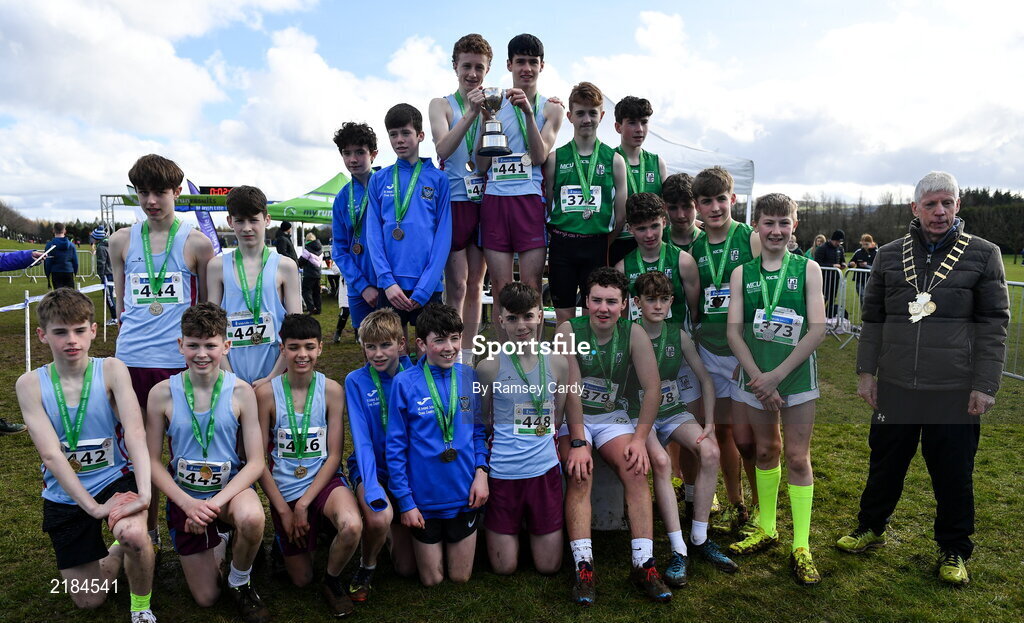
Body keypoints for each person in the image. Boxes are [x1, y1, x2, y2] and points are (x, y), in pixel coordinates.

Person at [837, 171, 1009, 586]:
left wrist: (985, 385)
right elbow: (873, 320)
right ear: (915, 208)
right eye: (930, 204)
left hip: (953, 388)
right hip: (895, 385)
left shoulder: (984, 254)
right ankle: (871, 527)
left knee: (953, 472)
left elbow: (994, 324)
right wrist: (866, 373)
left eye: (947, 203)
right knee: (885, 463)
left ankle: (954, 549)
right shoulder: (889, 255)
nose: (940, 211)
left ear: (958, 206)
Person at [17, 288, 156, 622]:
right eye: (60, 332)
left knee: (135, 534)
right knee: (89, 602)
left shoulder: (111, 369)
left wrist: (146, 493)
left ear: (93, 330)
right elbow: (51, 455)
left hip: (113, 479)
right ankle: (120, 553)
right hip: (65, 493)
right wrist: (94, 509)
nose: (72, 340)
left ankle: (141, 606)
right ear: (42, 335)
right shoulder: (29, 384)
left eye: (80, 330)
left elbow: (136, 432)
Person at [111, 153, 215, 552]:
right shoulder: (121, 240)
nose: (151, 200)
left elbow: (206, 310)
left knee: (189, 447)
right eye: (142, 192)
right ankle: (148, 533)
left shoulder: (198, 244)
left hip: (178, 365)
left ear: (176, 192)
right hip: (131, 362)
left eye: (159, 192)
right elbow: (121, 305)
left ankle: (199, 526)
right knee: (138, 450)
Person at [145, 303, 270, 622]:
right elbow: (152, 462)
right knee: (206, 598)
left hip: (229, 491)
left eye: (211, 345)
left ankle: (240, 581)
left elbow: (256, 463)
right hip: (186, 495)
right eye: (193, 344)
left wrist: (213, 505)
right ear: (180, 345)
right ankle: (223, 537)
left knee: (253, 518)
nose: (202, 353)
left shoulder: (241, 391)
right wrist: (188, 505)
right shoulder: (161, 393)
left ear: (226, 346)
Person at [725, 193, 826, 585]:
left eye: (784, 223)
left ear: (794, 226)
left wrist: (777, 376)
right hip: (755, 380)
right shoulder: (741, 273)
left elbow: (817, 329)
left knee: (798, 458)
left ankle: (801, 545)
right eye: (769, 222)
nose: (776, 230)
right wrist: (758, 378)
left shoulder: (809, 269)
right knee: (766, 451)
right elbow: (734, 330)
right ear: (757, 226)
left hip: (795, 379)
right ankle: (766, 528)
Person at [556, 267, 672, 605]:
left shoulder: (633, 333)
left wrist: (638, 439)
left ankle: (644, 564)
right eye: (596, 300)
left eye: (611, 301)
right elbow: (571, 390)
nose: (603, 308)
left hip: (610, 417)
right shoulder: (568, 329)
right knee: (580, 473)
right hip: (572, 417)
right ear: (586, 302)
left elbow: (652, 389)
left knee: (636, 469)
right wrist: (578, 442)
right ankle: (583, 567)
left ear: (624, 305)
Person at [625, 272, 737, 585]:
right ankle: (678, 550)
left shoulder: (679, 335)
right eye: (650, 299)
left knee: (710, 451)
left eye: (663, 299)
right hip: (638, 416)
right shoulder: (628, 334)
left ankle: (699, 538)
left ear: (672, 302)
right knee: (661, 462)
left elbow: (704, 379)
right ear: (637, 303)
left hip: (672, 411)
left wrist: (710, 423)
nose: (657, 305)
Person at [255, 314, 361, 617]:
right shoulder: (265, 394)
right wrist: (286, 510)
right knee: (301, 580)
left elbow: (334, 456)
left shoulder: (332, 390)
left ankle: (332, 581)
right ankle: (285, 541)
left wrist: (303, 506)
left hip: (323, 481)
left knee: (352, 525)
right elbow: (259, 462)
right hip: (285, 488)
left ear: (320, 348)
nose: (302, 354)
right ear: (282, 348)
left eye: (309, 347)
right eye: (294, 347)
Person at [385, 304, 488, 586]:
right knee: (431, 579)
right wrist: (406, 503)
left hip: (464, 495)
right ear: (421, 343)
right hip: (424, 500)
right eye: (439, 340)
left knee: (460, 577)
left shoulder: (468, 377)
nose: (449, 347)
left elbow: (478, 431)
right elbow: (395, 448)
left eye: (454, 338)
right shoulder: (404, 383)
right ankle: (393, 534)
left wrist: (481, 473)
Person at [475, 283, 570, 576]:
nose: (521, 325)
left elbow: (558, 417)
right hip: (503, 475)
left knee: (549, 566)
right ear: (500, 320)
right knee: (504, 568)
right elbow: (483, 420)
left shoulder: (557, 363)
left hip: (544, 474)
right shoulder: (488, 367)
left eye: (528, 316)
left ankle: (535, 528)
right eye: (512, 318)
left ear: (541, 316)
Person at [688, 166, 761, 535]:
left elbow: (764, 293)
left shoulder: (750, 237)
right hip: (710, 353)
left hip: (744, 354)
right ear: (696, 206)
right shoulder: (695, 247)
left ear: (733, 199)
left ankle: (764, 510)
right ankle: (737, 503)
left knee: (751, 439)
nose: (715, 207)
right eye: (706, 201)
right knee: (724, 434)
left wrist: (750, 354)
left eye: (721, 199)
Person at [475, 33, 563, 337]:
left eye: (532, 62)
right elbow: (481, 164)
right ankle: (505, 359)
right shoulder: (494, 101)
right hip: (496, 202)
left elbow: (539, 156)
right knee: (500, 287)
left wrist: (527, 112)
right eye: (521, 61)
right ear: (510, 64)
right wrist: (486, 118)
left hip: (528, 202)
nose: (526, 68)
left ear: (542, 66)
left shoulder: (551, 108)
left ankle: (534, 358)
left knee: (531, 287)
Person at [345, 309, 417, 598]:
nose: (377, 354)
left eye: (385, 345)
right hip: (371, 467)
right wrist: (372, 486)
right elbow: (361, 440)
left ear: (401, 343)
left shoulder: (415, 374)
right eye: (370, 346)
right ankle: (367, 564)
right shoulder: (355, 380)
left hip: (408, 470)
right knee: (378, 517)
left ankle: (390, 529)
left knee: (407, 568)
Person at [543, 82, 627, 326]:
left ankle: (592, 364)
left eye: (592, 112)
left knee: (597, 316)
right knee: (564, 318)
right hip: (562, 248)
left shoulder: (615, 161)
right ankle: (565, 364)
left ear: (601, 115)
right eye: (580, 113)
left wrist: (601, 240)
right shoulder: (555, 158)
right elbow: (548, 205)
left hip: (597, 247)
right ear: (569, 116)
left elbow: (620, 215)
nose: (587, 119)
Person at [429, 33, 492, 356]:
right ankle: (448, 348)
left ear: (487, 70)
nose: (472, 73)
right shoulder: (442, 105)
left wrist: (486, 119)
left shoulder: (490, 106)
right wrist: (472, 113)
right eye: (466, 66)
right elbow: (444, 147)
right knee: (455, 285)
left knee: (476, 286)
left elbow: (481, 163)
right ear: (455, 66)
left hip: (481, 202)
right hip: (453, 203)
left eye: (479, 67)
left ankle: (466, 354)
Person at [366, 103, 452, 330]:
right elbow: (373, 235)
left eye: (406, 133)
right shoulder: (379, 179)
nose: (399, 140)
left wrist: (425, 287)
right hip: (390, 287)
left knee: (430, 353)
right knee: (390, 354)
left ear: (420, 135)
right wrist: (387, 281)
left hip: (428, 288)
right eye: (393, 135)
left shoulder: (438, 179)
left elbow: (443, 236)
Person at [207, 185, 302, 386]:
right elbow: (212, 329)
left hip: (275, 372)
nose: (247, 227)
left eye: (253, 220)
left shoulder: (286, 266)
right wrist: (229, 377)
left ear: (267, 220)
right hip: (230, 374)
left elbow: (296, 330)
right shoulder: (216, 267)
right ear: (230, 221)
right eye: (240, 221)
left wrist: (273, 377)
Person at [613, 192, 699, 325]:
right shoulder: (622, 268)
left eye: (654, 226)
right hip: (639, 342)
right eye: (641, 229)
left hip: (676, 340)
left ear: (664, 222)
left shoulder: (684, 262)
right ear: (630, 229)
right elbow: (623, 315)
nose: (649, 235)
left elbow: (694, 312)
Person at [331, 122, 380, 332]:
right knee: (368, 345)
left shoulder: (390, 186)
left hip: (391, 284)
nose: (352, 159)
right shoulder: (342, 198)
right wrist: (363, 286)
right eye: (347, 153)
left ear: (373, 154)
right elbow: (339, 250)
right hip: (360, 287)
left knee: (396, 345)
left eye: (360, 152)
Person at [610, 96, 668, 266]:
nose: (639, 129)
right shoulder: (607, 161)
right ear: (618, 127)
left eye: (644, 122)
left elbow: (671, 205)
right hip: (618, 242)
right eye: (632, 123)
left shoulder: (657, 163)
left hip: (651, 243)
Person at [662, 173, 703, 252]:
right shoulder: (656, 240)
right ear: (665, 207)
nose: (680, 215)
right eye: (673, 208)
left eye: (686, 207)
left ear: (697, 205)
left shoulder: (710, 241)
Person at [814, 229, 845, 319]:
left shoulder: (840, 249)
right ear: (832, 239)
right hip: (824, 277)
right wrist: (831, 265)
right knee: (823, 297)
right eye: (837, 241)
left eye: (840, 242)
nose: (838, 243)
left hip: (835, 278)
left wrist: (843, 264)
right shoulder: (822, 248)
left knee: (832, 298)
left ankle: (827, 317)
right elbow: (817, 263)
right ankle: (816, 316)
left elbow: (842, 260)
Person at [90, 227, 118, 323]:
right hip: (114, 273)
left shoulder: (101, 248)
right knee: (113, 296)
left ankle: (115, 318)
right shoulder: (111, 244)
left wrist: (101, 275)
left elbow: (101, 263)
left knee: (108, 297)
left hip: (107, 274)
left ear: (97, 238)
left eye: (93, 237)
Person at [45, 222, 78, 290]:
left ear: (53, 230)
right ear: (64, 231)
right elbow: (75, 261)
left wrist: (47, 275)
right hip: (68, 271)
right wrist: (75, 272)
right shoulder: (71, 245)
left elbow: (48, 262)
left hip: (56, 272)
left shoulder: (49, 245)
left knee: (59, 295)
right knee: (70, 295)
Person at [299, 233, 323, 316]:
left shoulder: (308, 249)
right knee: (316, 292)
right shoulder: (320, 249)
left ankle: (311, 308)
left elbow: (301, 260)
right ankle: (318, 309)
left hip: (309, 274)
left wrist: (298, 264)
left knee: (306, 291)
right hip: (318, 274)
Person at [848, 233, 878, 301]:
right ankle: (864, 311)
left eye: (866, 244)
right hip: (859, 279)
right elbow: (850, 263)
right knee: (862, 297)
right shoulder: (858, 252)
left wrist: (867, 265)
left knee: (869, 298)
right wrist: (851, 264)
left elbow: (878, 267)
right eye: (863, 244)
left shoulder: (877, 253)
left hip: (871, 280)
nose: (864, 246)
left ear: (871, 243)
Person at [333, 274, 350, 344]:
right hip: (345, 288)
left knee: (357, 313)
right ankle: (338, 331)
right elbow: (335, 268)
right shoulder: (343, 262)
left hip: (357, 286)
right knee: (345, 312)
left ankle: (358, 333)